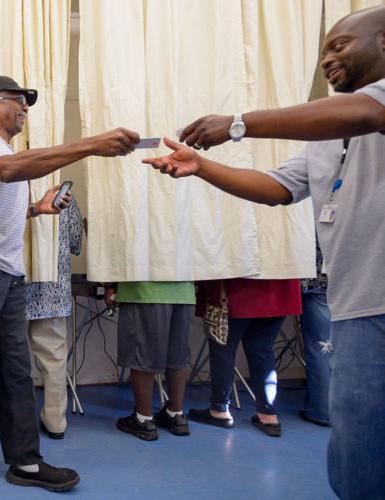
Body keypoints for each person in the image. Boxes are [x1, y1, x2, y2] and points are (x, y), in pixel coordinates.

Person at [143, 6, 385, 496]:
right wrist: (201, 167)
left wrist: (238, 123)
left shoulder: (367, 107)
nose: (326, 60)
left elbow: (368, 111)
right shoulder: (328, 134)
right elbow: (276, 187)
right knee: (357, 456)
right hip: (356, 305)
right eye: (322, 52)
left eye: (339, 45)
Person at [0, 74, 139, 492]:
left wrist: (37, 208)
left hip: (9, 275)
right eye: (19, 101)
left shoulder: (5, 153)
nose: (25, 109)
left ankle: (25, 463)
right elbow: (9, 171)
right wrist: (90, 144)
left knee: (14, 371)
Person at [188, 279, 301, 437]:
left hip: (236, 289)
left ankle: (219, 409)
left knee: (223, 346)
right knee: (262, 348)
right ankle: (268, 415)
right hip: (279, 289)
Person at [104, 281, 195, 441]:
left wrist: (108, 285)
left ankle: (143, 419)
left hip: (143, 289)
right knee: (177, 353)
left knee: (142, 351)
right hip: (183, 290)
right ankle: (176, 415)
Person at [25, 196, 83, 440]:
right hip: (53, 288)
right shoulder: (64, 195)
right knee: (54, 357)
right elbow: (75, 242)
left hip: (15, 285)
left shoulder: (10, 185)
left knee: (10, 357)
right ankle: (55, 421)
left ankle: (17, 419)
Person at [299, 239, 332, 427]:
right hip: (352, 284)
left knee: (320, 347)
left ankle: (321, 411)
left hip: (317, 281)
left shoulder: (313, 208)